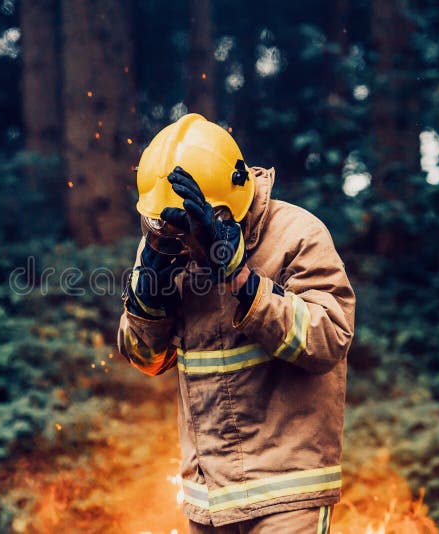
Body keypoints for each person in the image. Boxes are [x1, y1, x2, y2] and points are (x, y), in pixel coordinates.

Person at [117, 113, 355, 533]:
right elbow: (146, 359)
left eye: (190, 224)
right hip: (208, 497)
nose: (182, 237)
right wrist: (147, 300)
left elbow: (328, 339)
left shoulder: (296, 234)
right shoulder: (163, 244)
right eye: (169, 225)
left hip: (287, 490)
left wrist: (240, 276)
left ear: (229, 204)